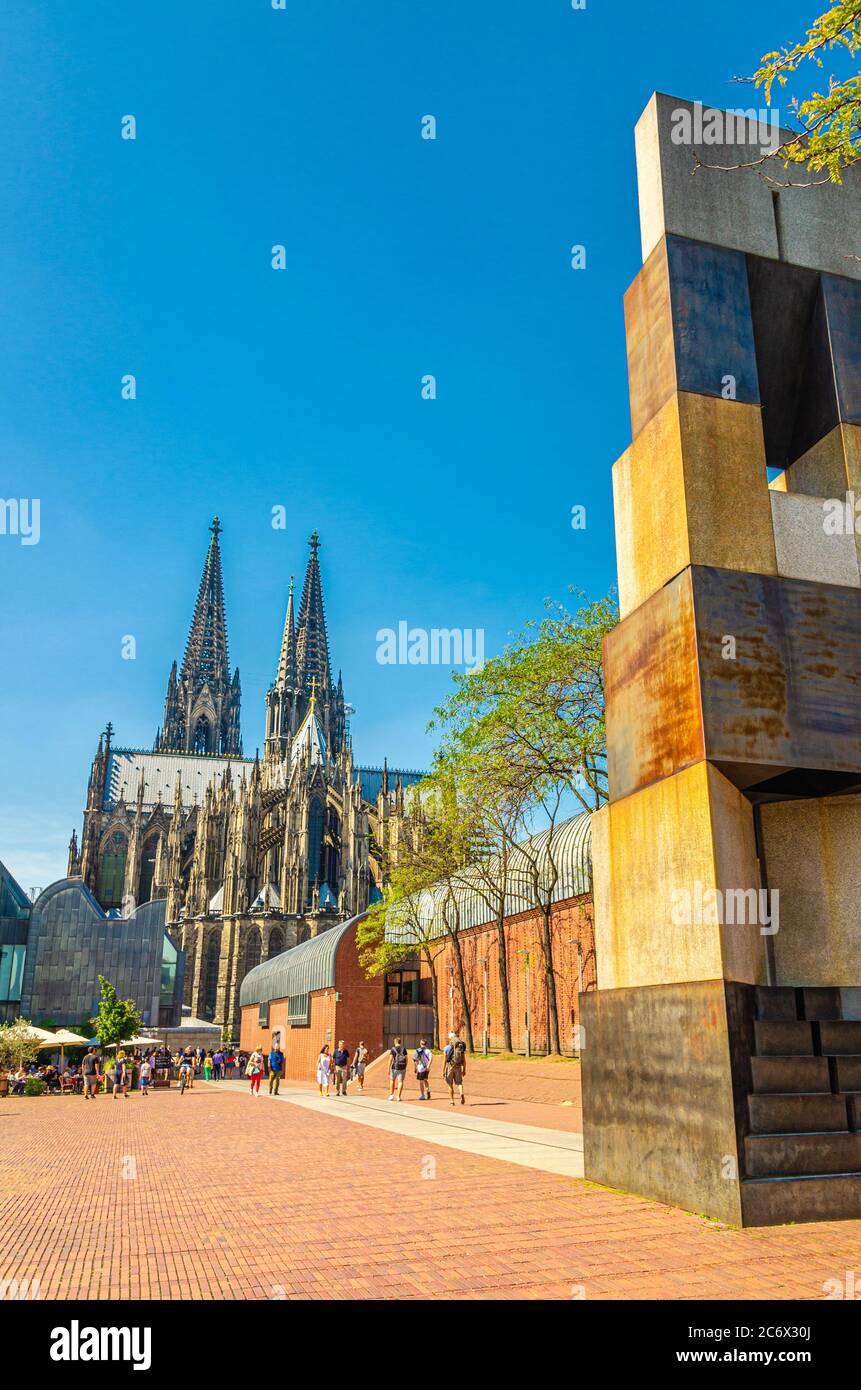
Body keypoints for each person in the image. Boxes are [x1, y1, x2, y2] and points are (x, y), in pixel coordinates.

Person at [443, 1031, 467, 1106]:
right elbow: (464, 1060)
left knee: (450, 1084)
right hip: (458, 1066)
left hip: (450, 1066)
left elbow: (444, 1060)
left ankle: (452, 1101)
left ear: (450, 1039)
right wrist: (464, 1070)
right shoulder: (460, 1047)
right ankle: (461, 1093)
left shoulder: (446, 1048)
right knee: (459, 1083)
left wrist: (443, 1070)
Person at [388, 1036, 408, 1102]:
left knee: (392, 1080)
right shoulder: (404, 1049)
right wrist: (405, 1066)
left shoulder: (393, 1049)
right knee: (400, 1081)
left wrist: (388, 1068)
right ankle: (398, 1097)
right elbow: (406, 1059)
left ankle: (391, 1095)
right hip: (402, 1067)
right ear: (400, 1042)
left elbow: (390, 1059)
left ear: (395, 1042)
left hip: (394, 1067)